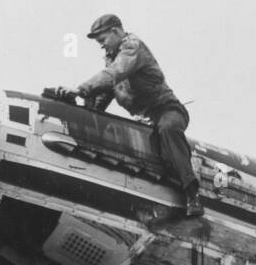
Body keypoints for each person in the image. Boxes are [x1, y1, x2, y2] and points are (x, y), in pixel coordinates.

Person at [64, 14, 202, 216]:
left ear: (115, 32)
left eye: (102, 40)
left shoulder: (132, 47)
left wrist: (81, 89)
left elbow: (114, 74)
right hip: (145, 118)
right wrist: (89, 110)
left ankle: (192, 194)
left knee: (168, 128)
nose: (102, 46)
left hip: (166, 110)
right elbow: (110, 88)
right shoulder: (112, 56)